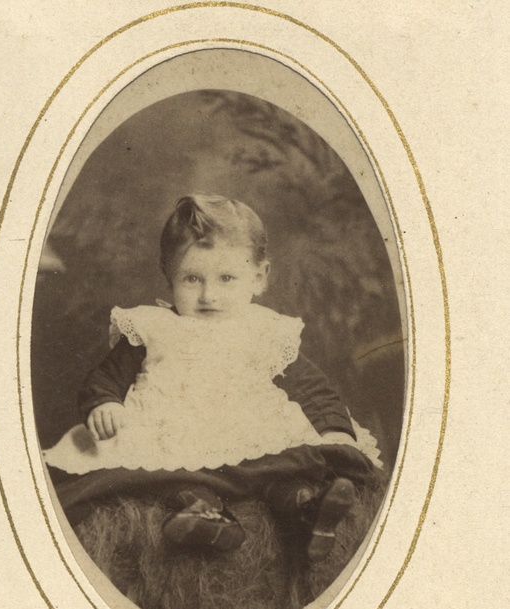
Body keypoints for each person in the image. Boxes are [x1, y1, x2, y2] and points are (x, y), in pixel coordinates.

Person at [44, 194, 382, 562]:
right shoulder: (153, 327)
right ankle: (205, 515)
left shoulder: (265, 331)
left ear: (259, 277)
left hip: (248, 434)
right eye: (192, 279)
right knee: (168, 476)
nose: (209, 296)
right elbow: (105, 378)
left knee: (282, 469)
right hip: (171, 435)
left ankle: (306, 509)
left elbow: (312, 388)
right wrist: (105, 403)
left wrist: (335, 430)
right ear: (168, 274)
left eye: (226, 278)